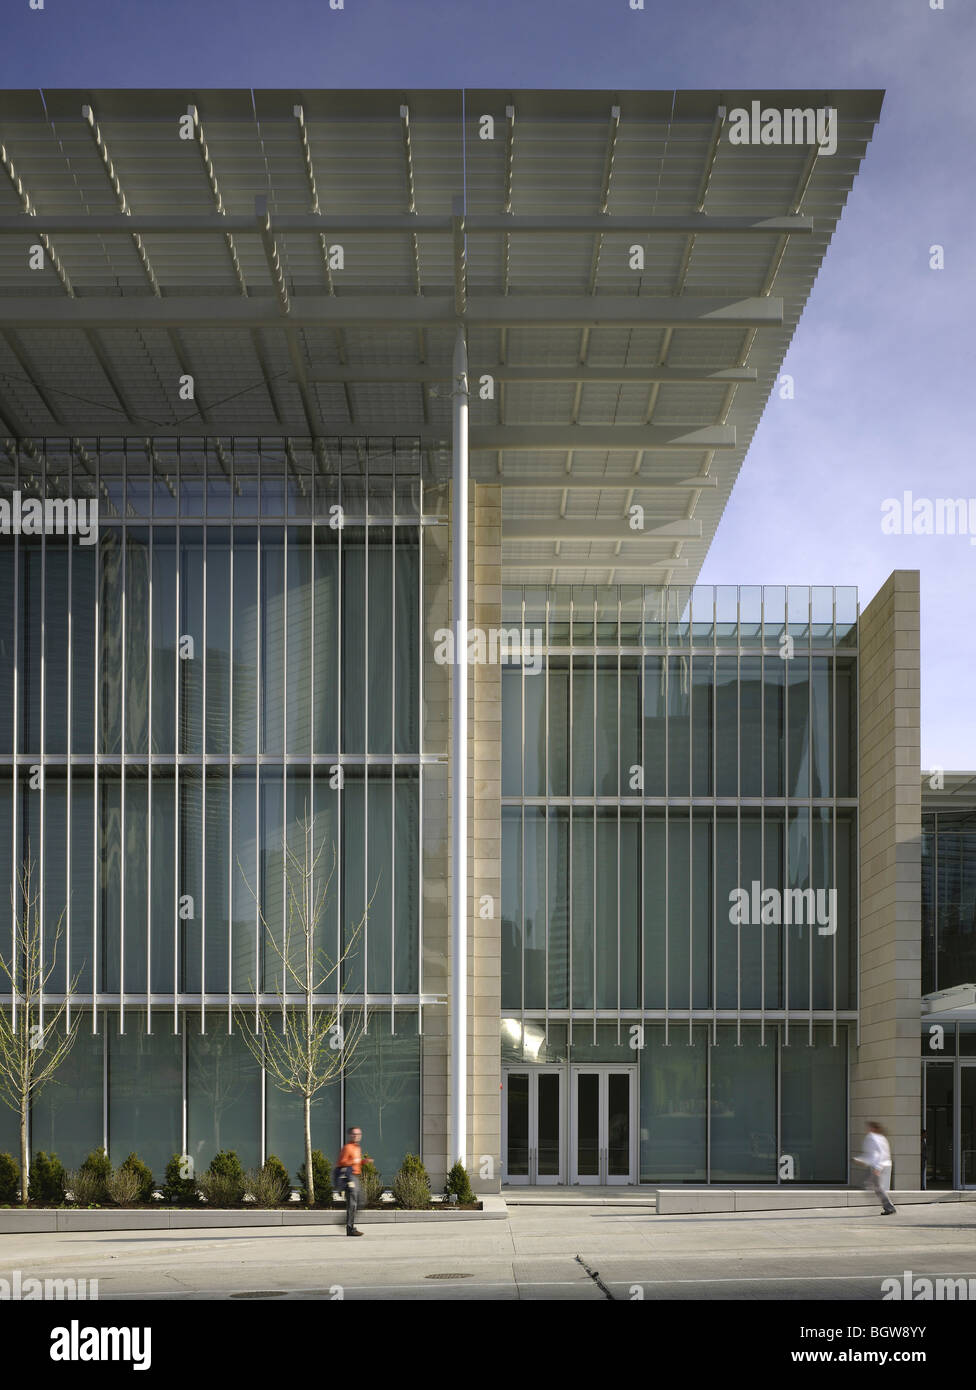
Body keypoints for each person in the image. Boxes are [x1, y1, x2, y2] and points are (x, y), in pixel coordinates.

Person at [854, 1121, 896, 1215]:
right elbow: (873, 1154)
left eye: (869, 1127)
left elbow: (878, 1153)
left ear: (873, 1128)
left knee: (876, 1187)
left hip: (877, 1166)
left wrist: (877, 1167)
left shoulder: (872, 1137)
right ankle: (888, 1206)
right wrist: (860, 1159)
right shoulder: (881, 1137)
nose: (867, 1129)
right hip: (883, 1164)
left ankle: (889, 1207)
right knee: (875, 1186)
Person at [336, 1126, 371, 1237]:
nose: (357, 1136)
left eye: (359, 1134)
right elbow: (341, 1162)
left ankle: (347, 1222)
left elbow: (356, 1162)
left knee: (360, 1201)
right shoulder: (347, 1148)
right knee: (352, 1203)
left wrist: (363, 1161)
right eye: (354, 1134)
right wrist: (354, 1160)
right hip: (349, 1177)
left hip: (355, 1177)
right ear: (350, 1135)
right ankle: (350, 1228)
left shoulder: (357, 1148)